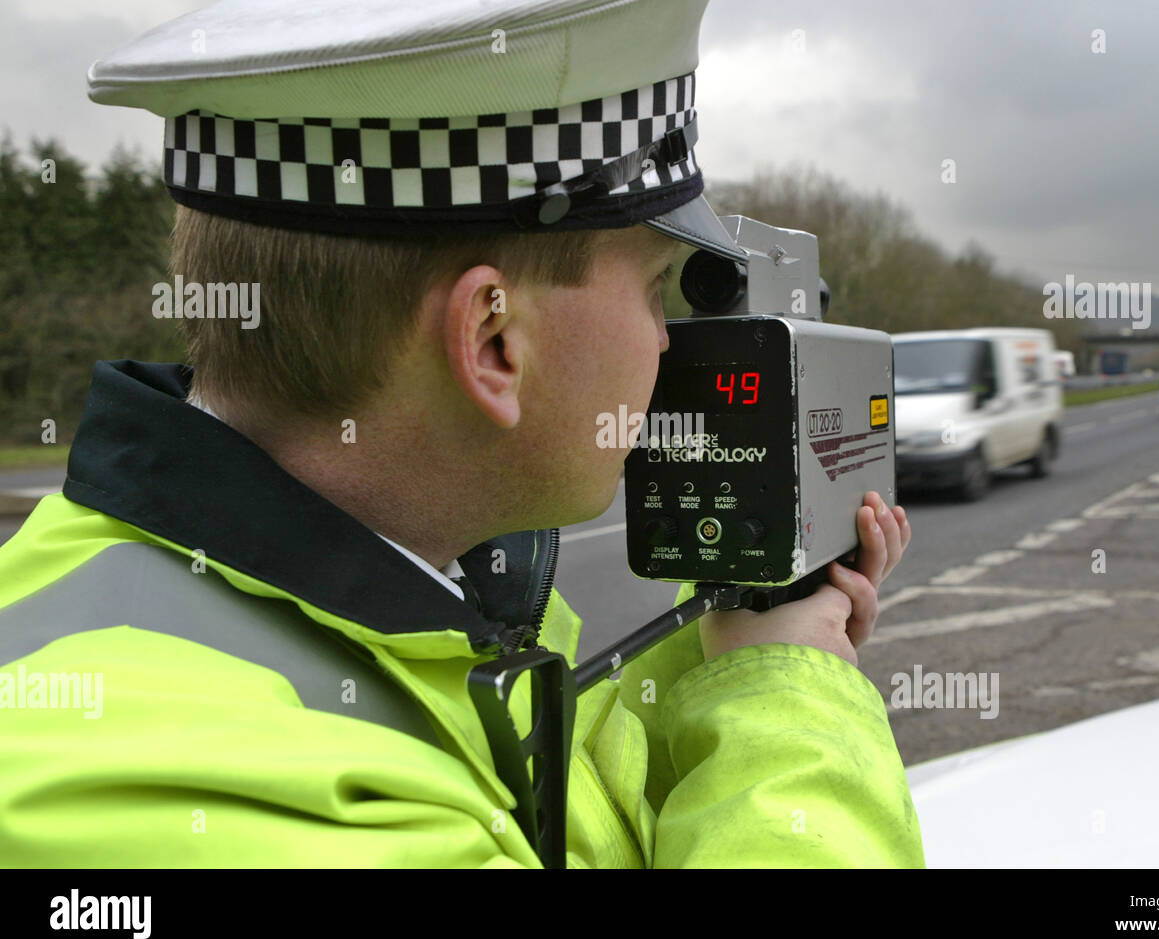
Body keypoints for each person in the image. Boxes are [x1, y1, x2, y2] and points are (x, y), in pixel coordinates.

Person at [0, 0, 924, 867]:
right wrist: (791, 698)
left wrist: (739, 637)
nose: (663, 341)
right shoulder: (201, 799)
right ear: (493, 341)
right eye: (654, 290)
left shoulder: (422, 586)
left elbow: (546, 818)